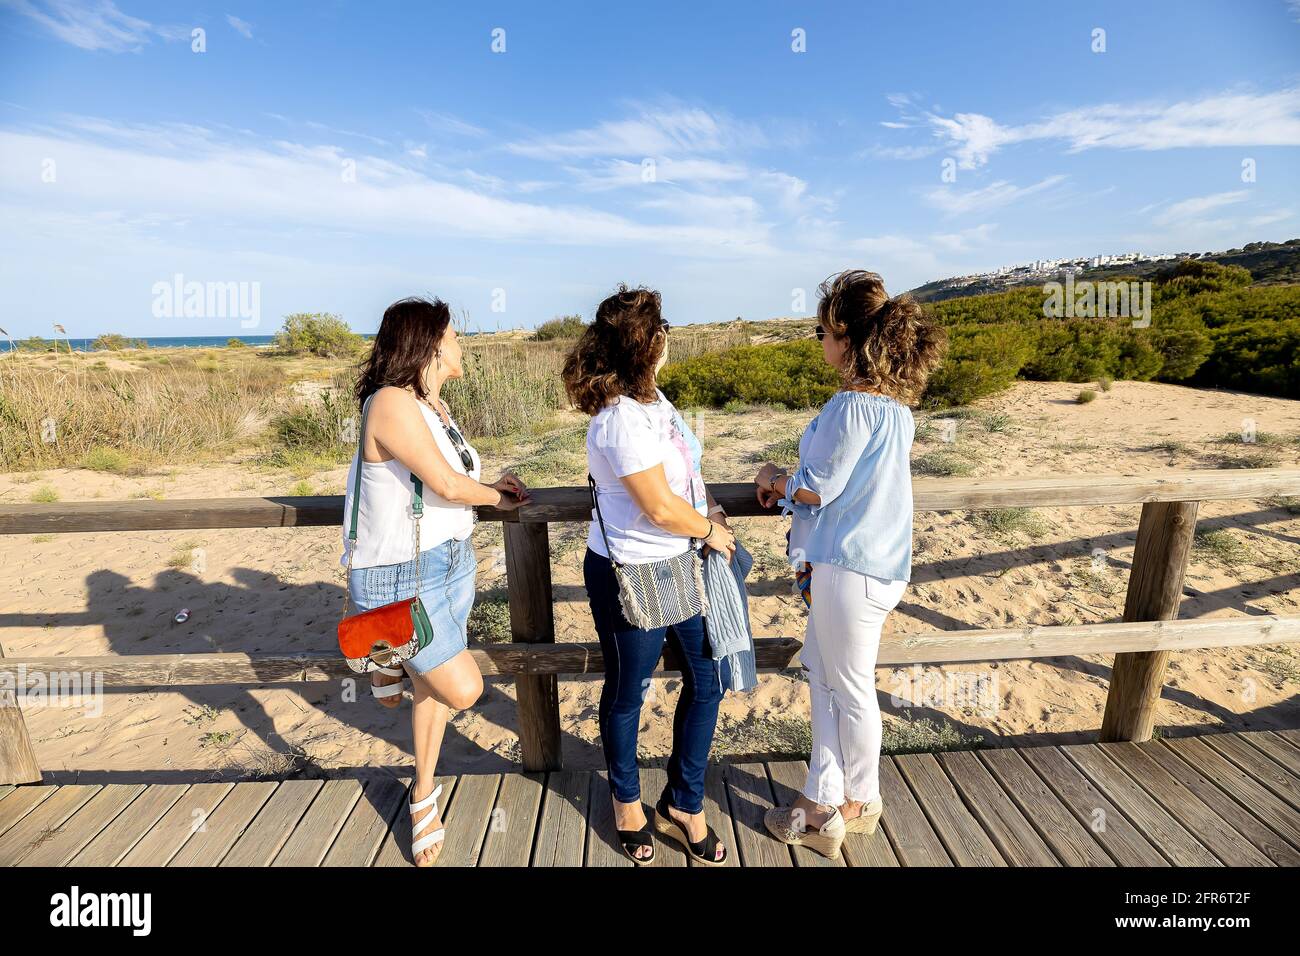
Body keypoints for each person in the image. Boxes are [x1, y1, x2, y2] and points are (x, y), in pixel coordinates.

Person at [756, 270, 946, 860]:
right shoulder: (896, 409)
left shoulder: (851, 405)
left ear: (847, 336)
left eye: (823, 329)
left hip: (848, 565)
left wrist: (771, 479)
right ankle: (826, 802)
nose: (820, 340)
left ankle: (851, 803)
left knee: (847, 687)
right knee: (826, 678)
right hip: (876, 565)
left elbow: (818, 489)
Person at [343, 296, 529, 866]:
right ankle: (375, 645)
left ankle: (423, 788)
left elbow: (449, 477)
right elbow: (446, 485)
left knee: (430, 687)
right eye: (453, 334)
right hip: (400, 577)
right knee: (463, 689)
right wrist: (496, 497)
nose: (460, 342)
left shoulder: (434, 406)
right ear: (427, 345)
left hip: (451, 563)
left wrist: (492, 481)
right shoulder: (391, 402)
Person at [562, 284, 736, 865]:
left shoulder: (657, 404)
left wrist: (707, 511)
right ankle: (627, 802)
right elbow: (658, 506)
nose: (667, 339)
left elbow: (684, 476)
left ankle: (684, 802)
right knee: (628, 690)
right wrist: (709, 532)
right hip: (628, 574)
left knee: (706, 680)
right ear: (648, 342)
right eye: (661, 329)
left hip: (679, 566)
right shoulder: (618, 420)